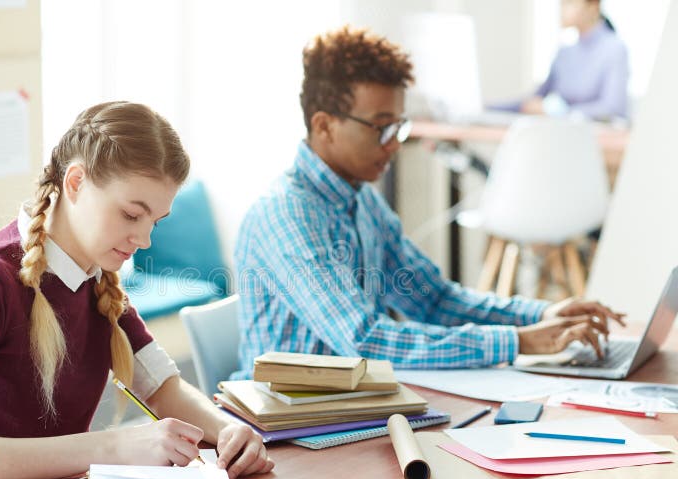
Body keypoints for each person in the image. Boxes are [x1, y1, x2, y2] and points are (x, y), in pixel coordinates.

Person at [0, 101, 273, 479]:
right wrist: (113, 446)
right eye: (132, 215)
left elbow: (163, 385)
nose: (145, 239)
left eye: (155, 221)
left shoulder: (97, 281)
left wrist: (229, 430)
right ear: (76, 182)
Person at [232, 26, 624, 380]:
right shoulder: (287, 214)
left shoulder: (362, 202)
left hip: (348, 409)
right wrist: (518, 341)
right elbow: (365, 341)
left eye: (398, 126)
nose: (394, 143)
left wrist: (540, 315)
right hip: (288, 428)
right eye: (380, 126)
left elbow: (434, 299)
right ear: (324, 125)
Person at [498, 0, 629, 121]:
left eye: (569, 3)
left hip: (593, 138)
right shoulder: (564, 53)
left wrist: (560, 112)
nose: (561, 10)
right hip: (559, 133)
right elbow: (533, 100)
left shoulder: (614, 49)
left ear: (593, 6)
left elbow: (614, 108)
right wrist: (490, 107)